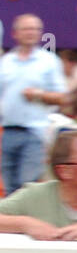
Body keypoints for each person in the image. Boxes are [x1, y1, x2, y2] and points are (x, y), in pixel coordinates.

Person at [0, 15, 68, 195]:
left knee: (27, 184)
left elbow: (62, 98)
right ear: (15, 33)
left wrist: (39, 95)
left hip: (35, 132)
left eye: (35, 29)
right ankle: (11, 222)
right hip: (8, 131)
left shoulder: (49, 62)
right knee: (9, 183)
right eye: (26, 29)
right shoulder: (6, 62)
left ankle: (27, 222)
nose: (31, 33)